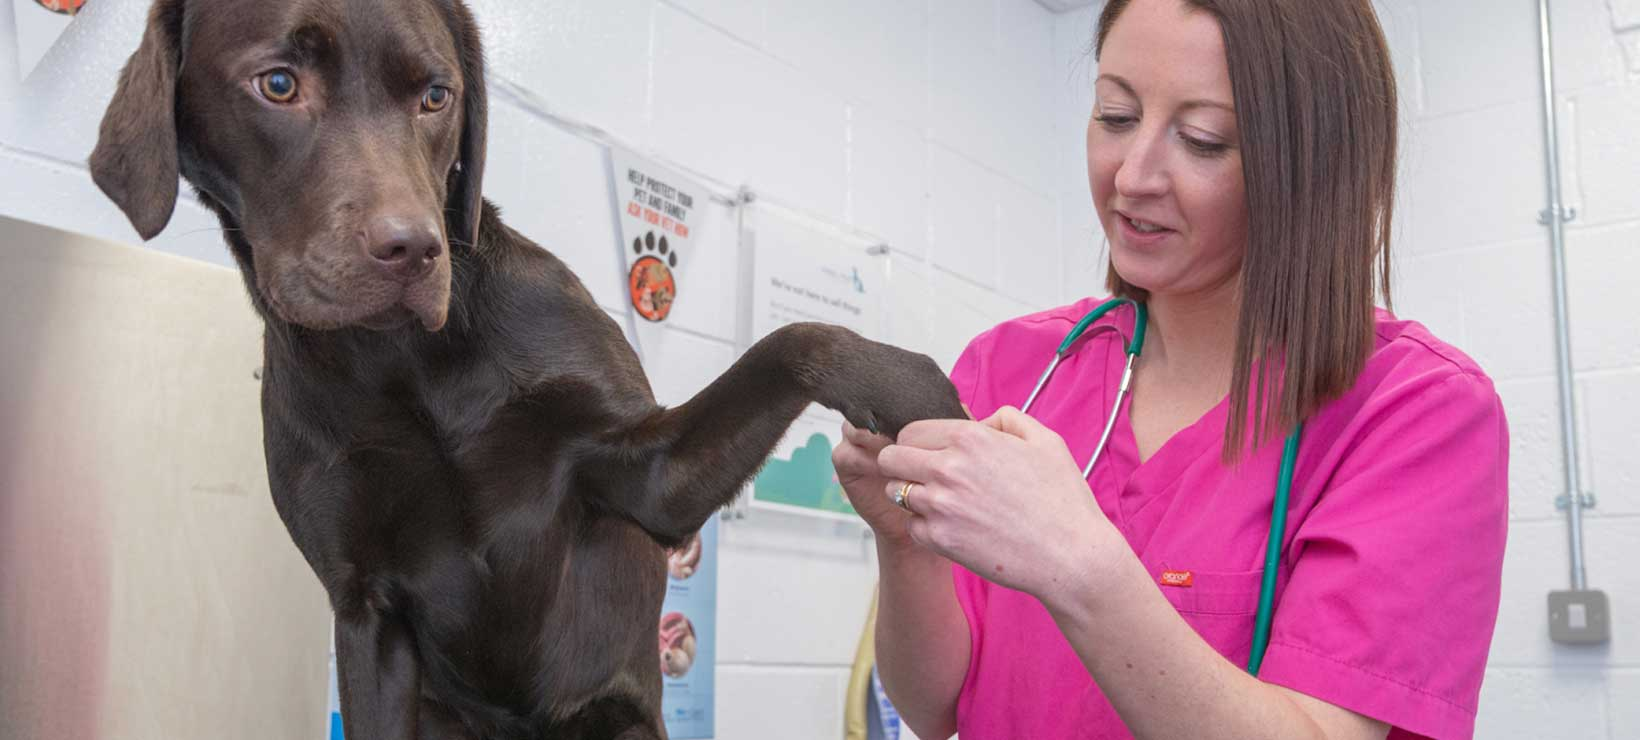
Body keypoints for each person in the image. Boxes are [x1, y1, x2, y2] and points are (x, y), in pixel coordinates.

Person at [831, 1, 1509, 738]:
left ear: (1312, 165)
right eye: (1116, 115)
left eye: (1202, 139)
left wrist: (1079, 563)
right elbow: (934, 708)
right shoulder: (1014, 366)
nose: (1132, 174)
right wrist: (905, 549)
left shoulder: (1415, 412)